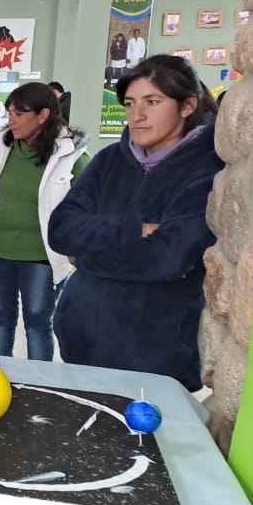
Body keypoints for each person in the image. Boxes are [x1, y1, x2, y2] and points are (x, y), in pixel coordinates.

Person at [49, 55, 223, 391]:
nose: (137, 116)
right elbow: (60, 230)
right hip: (82, 343)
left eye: (152, 102)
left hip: (156, 358)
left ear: (187, 106)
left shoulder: (208, 171)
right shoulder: (110, 160)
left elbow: (168, 258)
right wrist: (133, 231)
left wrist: (85, 255)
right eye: (130, 103)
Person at [0, 82, 89, 361]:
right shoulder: (0, 145)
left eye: (19, 114)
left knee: (38, 324)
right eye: (9, 113)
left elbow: (91, 206)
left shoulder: (71, 156)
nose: (11, 120)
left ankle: (40, 384)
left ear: (43, 115)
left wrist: (78, 247)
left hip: (41, 257)